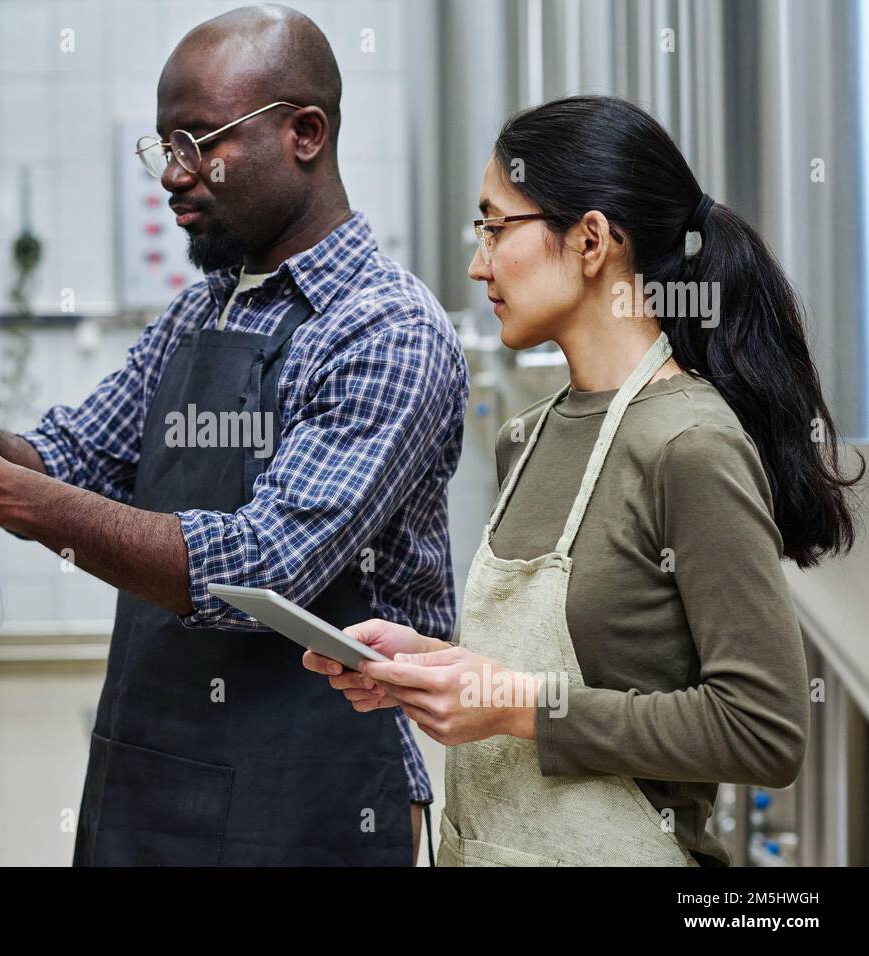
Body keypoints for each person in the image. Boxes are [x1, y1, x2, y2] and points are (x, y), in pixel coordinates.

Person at [0, 4, 467, 865]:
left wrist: (7, 496)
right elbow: (77, 460)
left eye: (201, 141)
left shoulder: (385, 329)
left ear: (305, 133)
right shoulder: (201, 309)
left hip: (313, 790)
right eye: (163, 146)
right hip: (152, 766)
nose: (172, 176)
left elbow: (267, 569)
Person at [305, 95, 863, 866]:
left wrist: (516, 707)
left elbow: (762, 729)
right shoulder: (527, 438)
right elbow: (587, 657)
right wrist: (432, 662)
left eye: (495, 226)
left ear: (592, 239)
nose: (478, 262)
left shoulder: (689, 444)